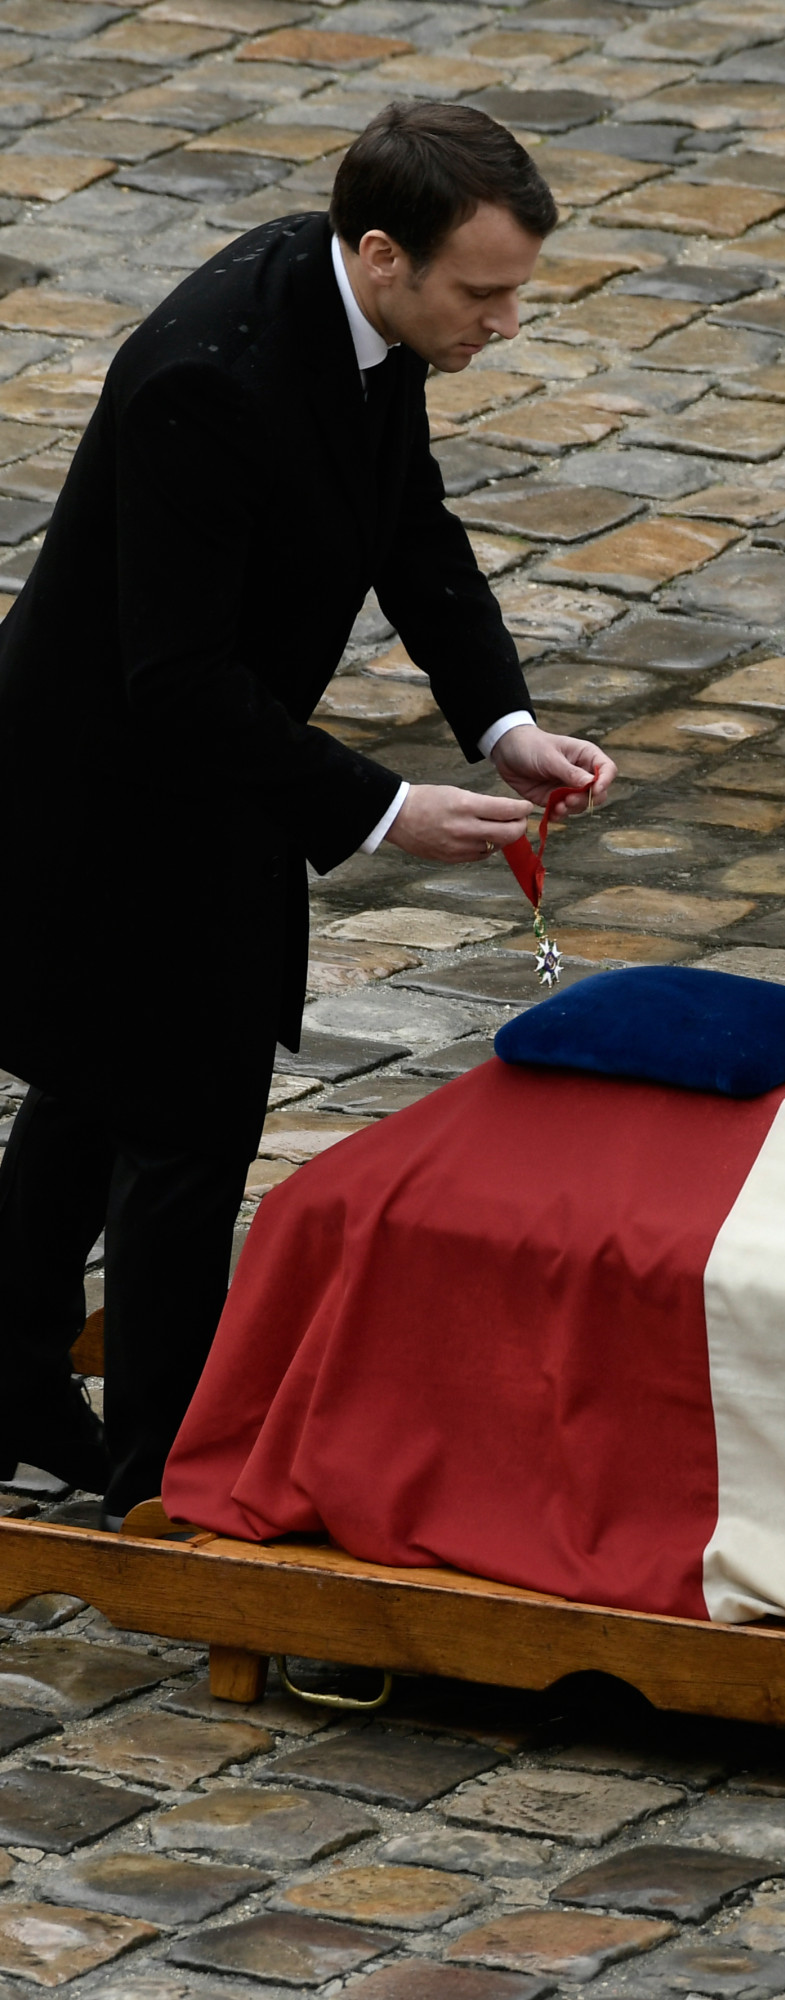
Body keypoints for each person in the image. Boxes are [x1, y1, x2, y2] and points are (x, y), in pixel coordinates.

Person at [0, 100, 615, 1517]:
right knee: (186, 1124)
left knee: (100, 1087)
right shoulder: (205, 381)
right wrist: (387, 809)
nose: (505, 322)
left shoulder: (365, 319)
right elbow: (175, 677)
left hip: (201, 764)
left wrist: (503, 727)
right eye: (484, 292)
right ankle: (168, 1482)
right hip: (104, 790)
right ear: (386, 254)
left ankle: (11, 1372)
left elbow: (408, 524)